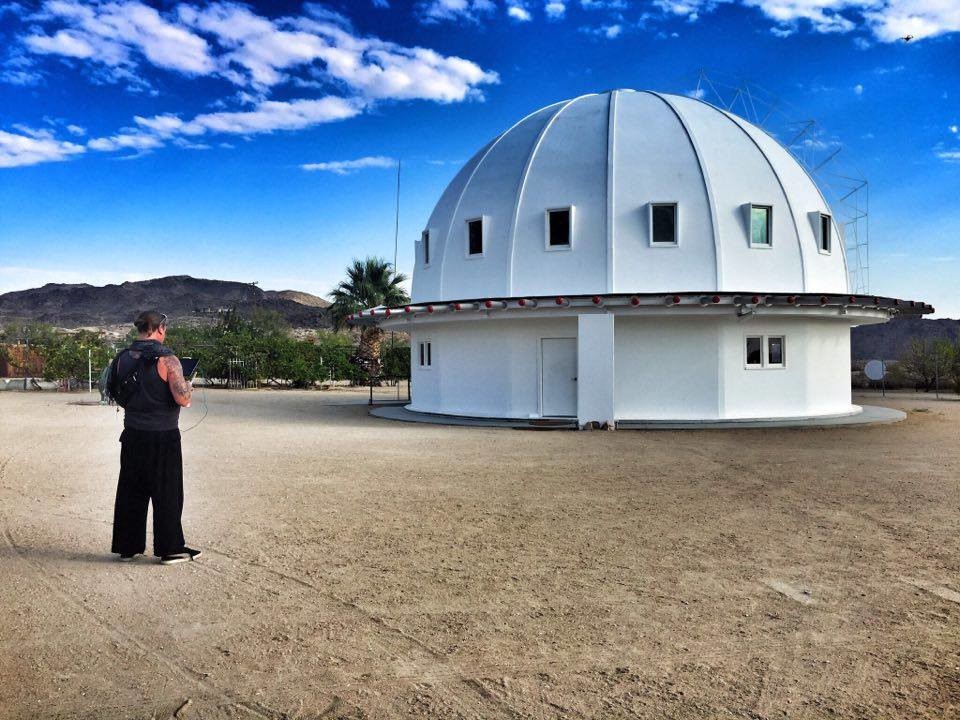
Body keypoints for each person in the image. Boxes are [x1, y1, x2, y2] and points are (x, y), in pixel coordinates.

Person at [110, 310, 201, 566]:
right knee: (167, 493)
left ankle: (127, 547)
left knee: (131, 491)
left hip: (132, 434)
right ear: (160, 328)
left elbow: (116, 392)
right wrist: (188, 386)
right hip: (163, 437)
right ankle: (170, 549)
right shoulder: (168, 359)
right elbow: (183, 399)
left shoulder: (122, 358)